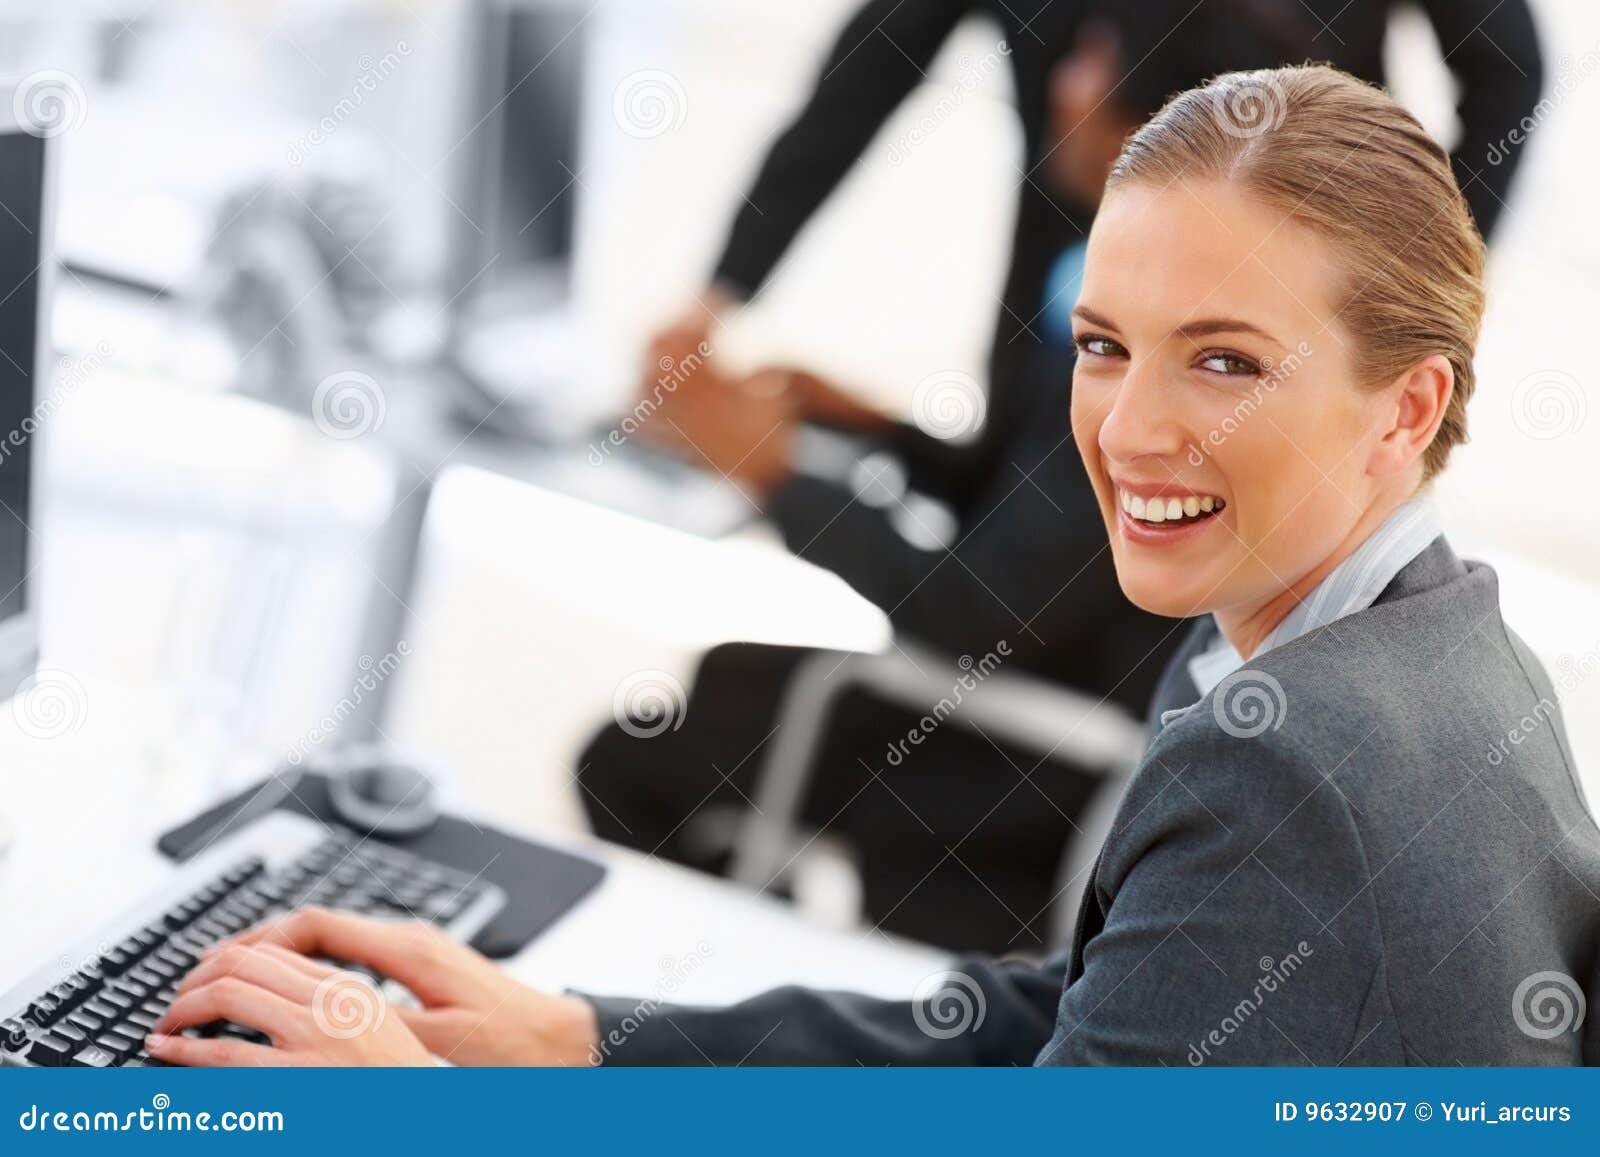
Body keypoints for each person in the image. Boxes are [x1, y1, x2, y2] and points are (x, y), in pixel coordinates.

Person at [148, 65, 1598, 1067]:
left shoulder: (1305, 760)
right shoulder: (1431, 654)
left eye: (1224, 359)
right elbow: (1055, 1028)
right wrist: (585, 1043)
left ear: (1407, 404)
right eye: (1103, 347)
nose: (1132, 428)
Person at [578, 0, 1308, 954]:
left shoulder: (1153, 361)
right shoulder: (1202, 308)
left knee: (630, 757)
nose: (1059, 83)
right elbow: (1050, 501)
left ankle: (737, 1020)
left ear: (1152, 128)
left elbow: (973, 612)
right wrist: (874, 423)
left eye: (1089, 64)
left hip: (1037, 760)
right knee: (722, 685)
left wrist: (774, 471)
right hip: (1066, 699)